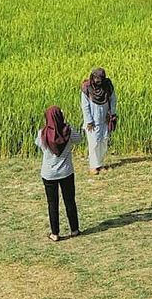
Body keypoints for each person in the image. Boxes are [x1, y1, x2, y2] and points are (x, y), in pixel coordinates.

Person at [35, 106, 83, 241]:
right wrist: (68, 125)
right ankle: (74, 230)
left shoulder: (42, 133)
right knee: (70, 201)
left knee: (52, 203)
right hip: (66, 172)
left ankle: (55, 233)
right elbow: (79, 139)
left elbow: (39, 145)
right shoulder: (69, 131)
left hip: (48, 174)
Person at [80, 67, 117, 175]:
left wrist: (111, 113)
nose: (98, 81)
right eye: (96, 78)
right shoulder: (86, 88)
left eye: (100, 78)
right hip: (92, 122)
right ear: (92, 77)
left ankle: (100, 164)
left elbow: (113, 99)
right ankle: (93, 166)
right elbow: (85, 106)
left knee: (104, 141)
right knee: (94, 143)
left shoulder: (107, 86)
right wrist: (89, 121)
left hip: (105, 119)